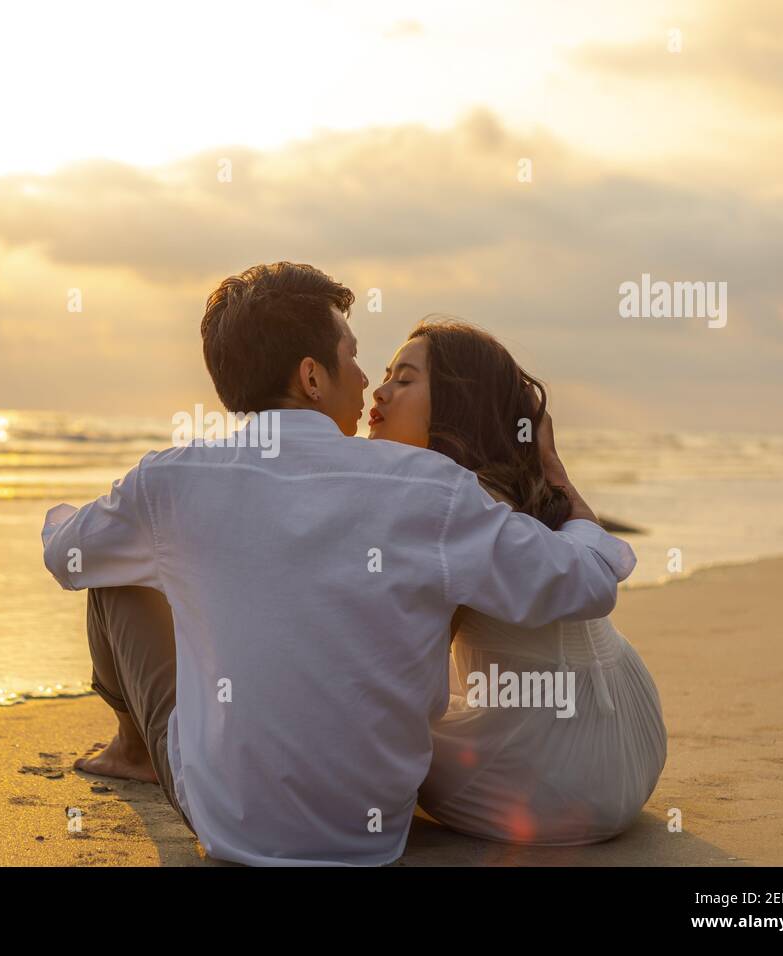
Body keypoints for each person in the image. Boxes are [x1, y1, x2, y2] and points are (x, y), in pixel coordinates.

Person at [41, 262, 636, 866]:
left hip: (231, 831)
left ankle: (135, 751)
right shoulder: (433, 488)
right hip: (371, 834)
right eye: (353, 358)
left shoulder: (169, 482)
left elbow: (65, 559)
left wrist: (79, 524)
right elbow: (588, 581)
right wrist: (573, 504)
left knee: (110, 570)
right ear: (312, 377)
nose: (364, 381)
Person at [367, 318, 666, 844]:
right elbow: (588, 553)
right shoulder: (519, 491)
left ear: (457, 404)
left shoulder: (453, 506)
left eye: (405, 379)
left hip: (551, 778)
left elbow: (405, 674)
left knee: (362, 735)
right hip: (634, 743)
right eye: (388, 374)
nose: (380, 388)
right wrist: (554, 466)